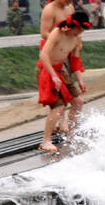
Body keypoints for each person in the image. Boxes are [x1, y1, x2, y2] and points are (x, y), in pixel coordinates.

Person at [37, 11, 90, 153]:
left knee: (78, 102)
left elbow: (75, 60)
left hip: (62, 71)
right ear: (71, 26)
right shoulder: (57, 33)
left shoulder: (76, 38)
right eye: (78, 29)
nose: (79, 32)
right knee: (58, 107)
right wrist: (53, 76)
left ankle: (72, 135)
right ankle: (45, 141)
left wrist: (80, 79)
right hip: (48, 71)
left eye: (81, 30)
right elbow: (44, 55)